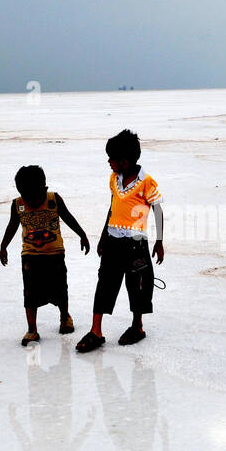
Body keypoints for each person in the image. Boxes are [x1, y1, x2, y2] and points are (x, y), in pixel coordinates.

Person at [76, 129, 164, 352]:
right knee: (104, 283)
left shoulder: (146, 182)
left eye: (111, 158)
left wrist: (159, 241)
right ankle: (96, 330)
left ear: (124, 161)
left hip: (136, 244)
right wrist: (104, 236)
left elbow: (158, 211)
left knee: (137, 286)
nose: (108, 162)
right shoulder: (114, 179)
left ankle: (138, 326)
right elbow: (113, 207)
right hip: (113, 242)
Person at [0, 165, 90, 346]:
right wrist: (3, 246)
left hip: (55, 253)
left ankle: (65, 317)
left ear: (44, 189)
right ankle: (32, 329)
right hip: (30, 255)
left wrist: (82, 235)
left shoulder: (53, 200)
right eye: (27, 197)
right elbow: (12, 226)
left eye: (35, 197)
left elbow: (68, 217)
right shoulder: (18, 205)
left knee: (60, 288)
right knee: (30, 292)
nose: (31, 202)